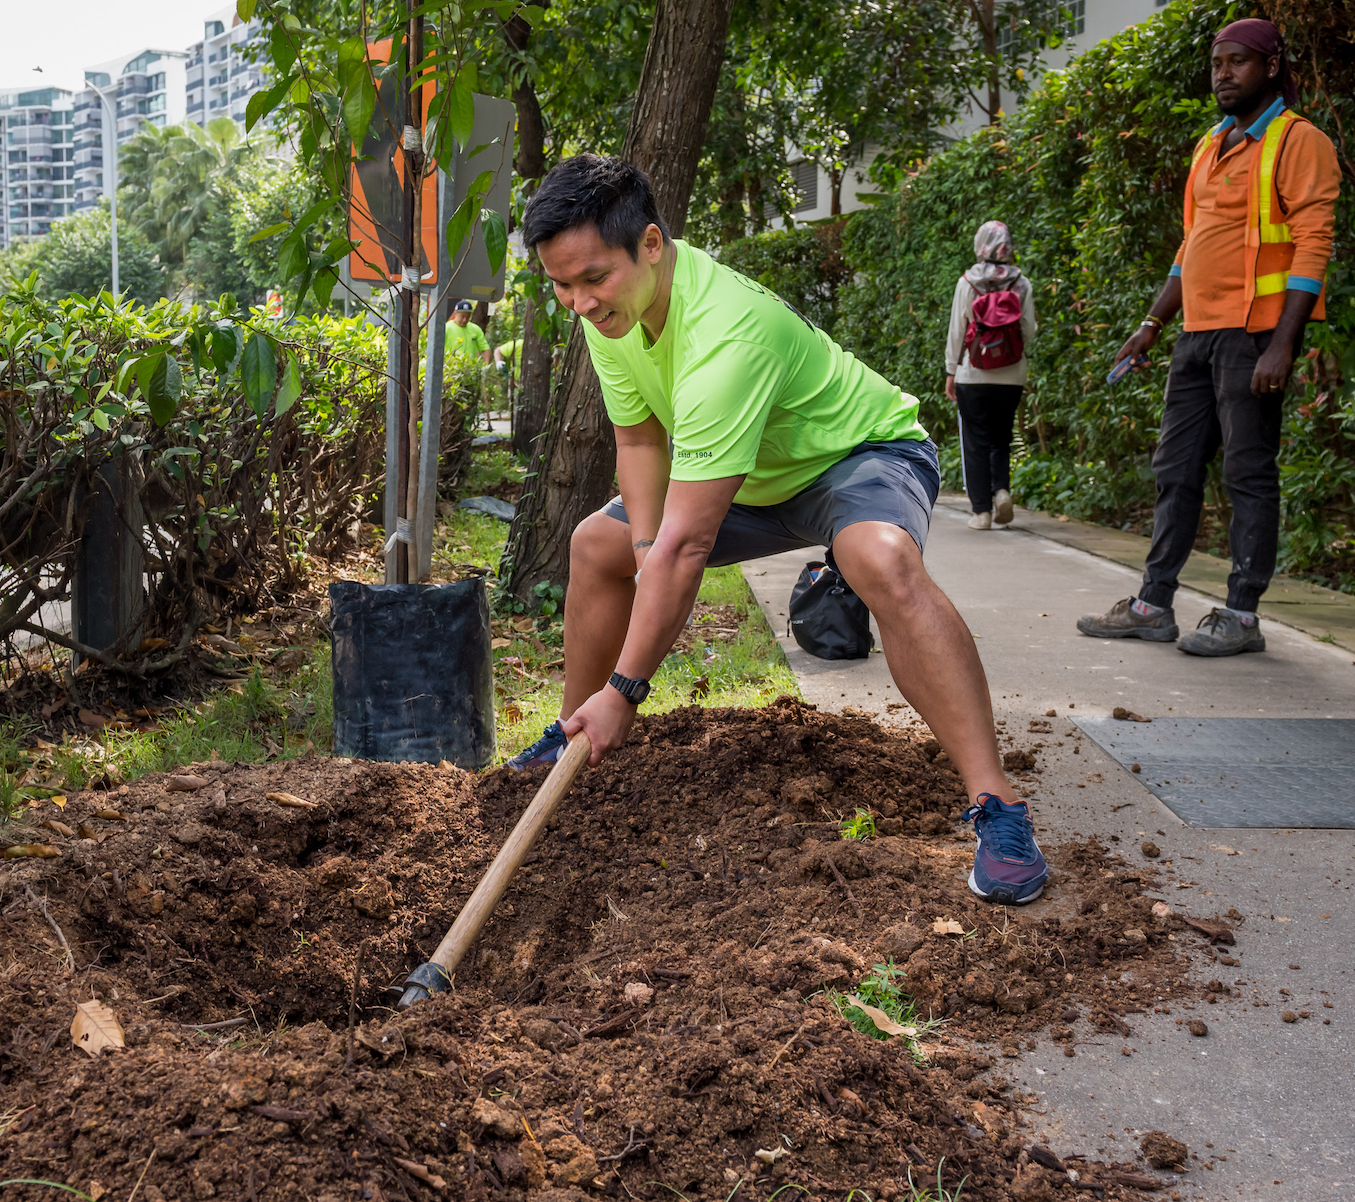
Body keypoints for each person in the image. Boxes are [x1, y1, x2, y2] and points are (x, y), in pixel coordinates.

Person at [504, 154, 1048, 907]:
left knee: (879, 558)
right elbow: (638, 443)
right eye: (561, 285)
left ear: (652, 245)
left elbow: (689, 547)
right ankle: (575, 737)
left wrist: (627, 688)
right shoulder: (612, 313)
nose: (580, 302)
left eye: (592, 278)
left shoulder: (727, 334)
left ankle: (998, 805)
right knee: (597, 545)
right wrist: (642, 551)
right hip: (750, 475)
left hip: (855, 455)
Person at [1080, 18, 1338, 656]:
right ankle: (1151, 604)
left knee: (1249, 472)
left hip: (1254, 335)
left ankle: (1242, 615)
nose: (1223, 73)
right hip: (1195, 333)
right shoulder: (1209, 145)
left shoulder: (1298, 142)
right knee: (1174, 469)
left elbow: (1313, 242)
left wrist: (1282, 343)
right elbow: (1190, 247)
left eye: (1237, 62)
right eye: (1217, 63)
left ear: (1271, 67)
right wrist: (1150, 324)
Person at [944, 221, 1037, 530]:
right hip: (1011, 375)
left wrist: (950, 372)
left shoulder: (968, 282)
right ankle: (1001, 491)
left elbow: (957, 331)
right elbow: (1029, 330)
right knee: (1002, 437)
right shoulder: (1021, 282)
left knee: (975, 441)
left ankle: (981, 512)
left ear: (980, 244)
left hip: (973, 373)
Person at [445, 300, 490, 364]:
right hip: (452, 368)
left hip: (471, 370)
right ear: (456, 313)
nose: (465, 320)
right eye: (462, 316)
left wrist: (485, 366)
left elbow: (485, 348)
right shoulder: (446, 328)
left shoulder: (475, 329)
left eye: (468, 316)